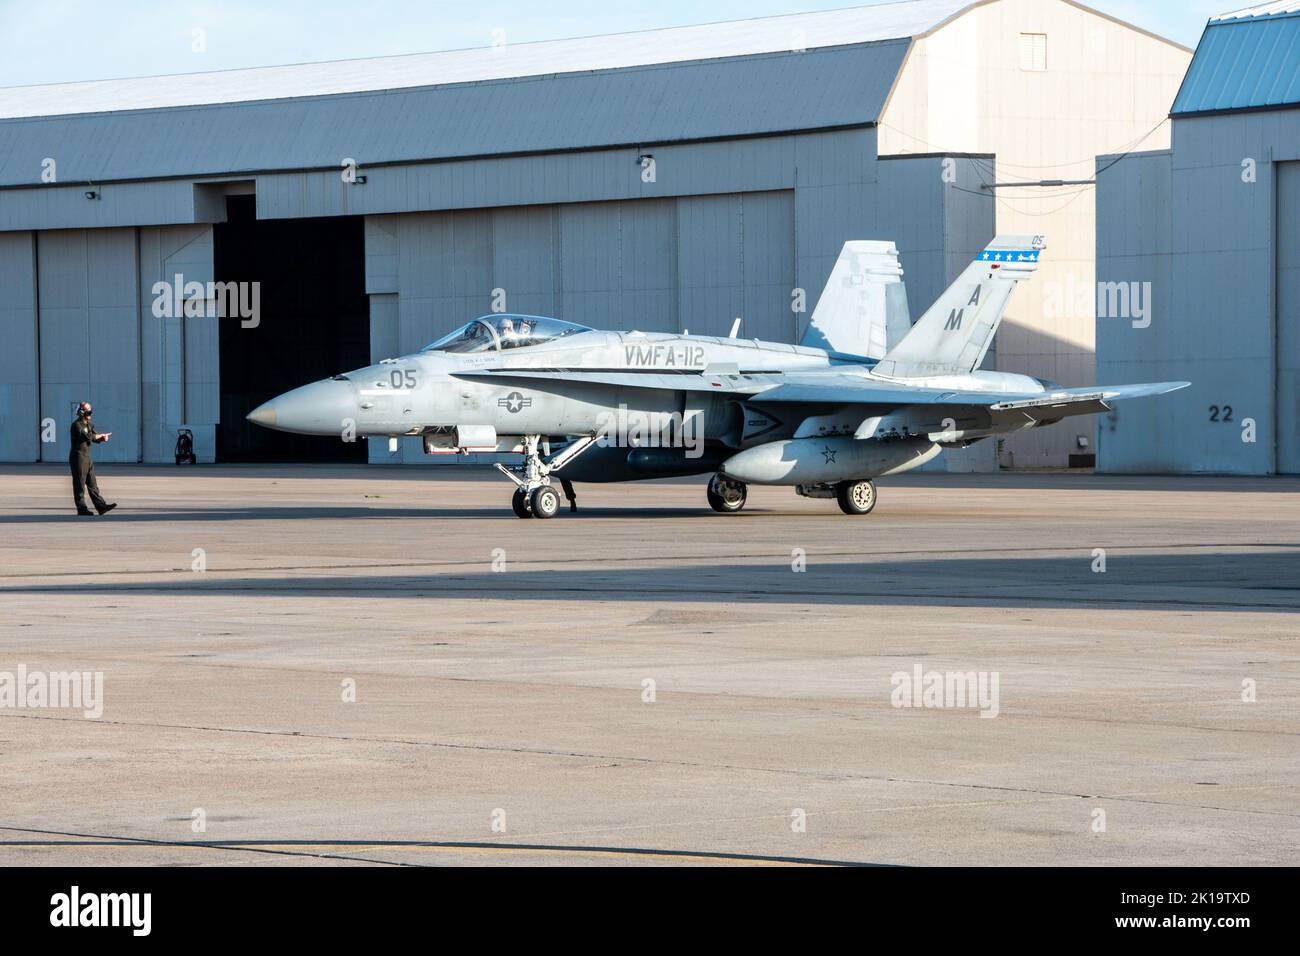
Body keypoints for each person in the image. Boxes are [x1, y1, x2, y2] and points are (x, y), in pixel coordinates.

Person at [69, 402, 116, 516]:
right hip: (78, 457)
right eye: (88, 412)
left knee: (93, 484)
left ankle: (101, 506)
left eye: (90, 412)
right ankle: (82, 509)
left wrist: (103, 438)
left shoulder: (89, 425)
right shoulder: (77, 425)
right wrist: (99, 436)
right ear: (81, 413)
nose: (90, 414)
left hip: (87, 457)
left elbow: (95, 437)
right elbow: (88, 436)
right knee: (79, 485)